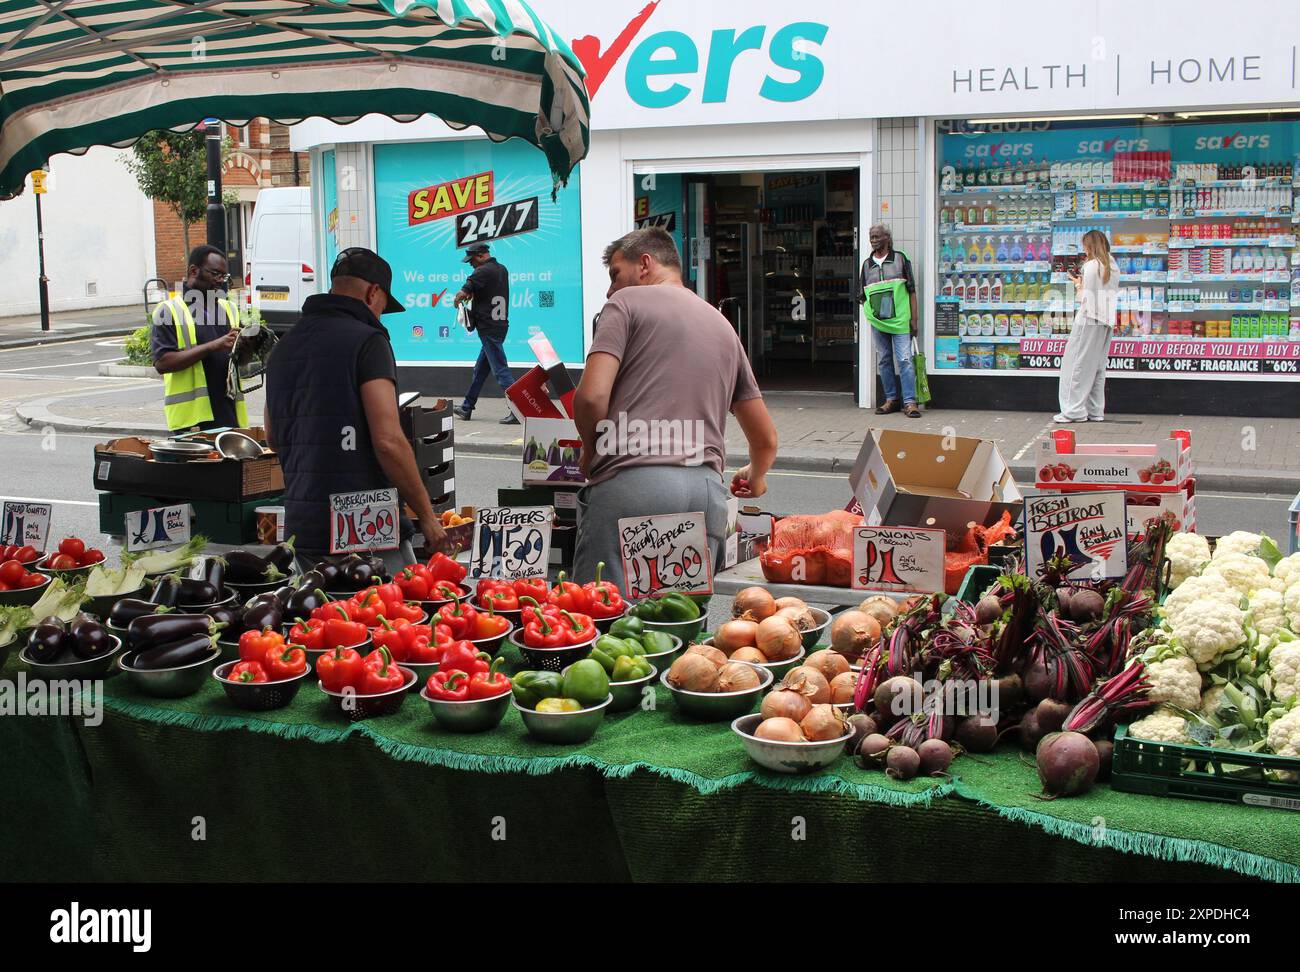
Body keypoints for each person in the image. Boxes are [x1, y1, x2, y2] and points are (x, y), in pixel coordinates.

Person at [572, 227, 779, 591]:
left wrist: (591, 452)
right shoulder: (723, 326)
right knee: (679, 632)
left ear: (645, 264)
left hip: (632, 485)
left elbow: (590, 398)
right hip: (703, 491)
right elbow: (765, 439)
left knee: (608, 626)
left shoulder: (625, 304)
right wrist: (756, 476)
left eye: (615, 275)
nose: (610, 290)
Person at [264, 247, 448, 570]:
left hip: (303, 530)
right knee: (386, 617)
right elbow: (388, 440)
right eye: (382, 307)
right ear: (373, 292)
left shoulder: (283, 347)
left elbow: (273, 437)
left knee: (319, 618)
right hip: (364, 528)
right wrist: (428, 518)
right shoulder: (369, 342)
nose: (379, 315)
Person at [151, 244, 247, 431]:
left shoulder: (229, 309)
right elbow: (163, 363)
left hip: (228, 414)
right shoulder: (169, 311)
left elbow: (239, 360)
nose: (221, 281)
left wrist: (249, 347)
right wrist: (213, 346)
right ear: (194, 271)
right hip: (192, 422)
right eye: (216, 274)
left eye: (224, 276)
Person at [1055, 230, 1120, 423]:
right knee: (1097, 367)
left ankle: (1073, 411)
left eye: (1085, 246)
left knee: (1076, 364)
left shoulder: (1091, 265)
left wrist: (1078, 286)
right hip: (1106, 320)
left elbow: (1086, 297)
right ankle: (1095, 411)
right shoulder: (1112, 265)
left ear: (1089, 246)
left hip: (1088, 318)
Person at [859, 225, 921, 418]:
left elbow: (911, 291)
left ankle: (910, 402)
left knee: (905, 360)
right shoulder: (867, 265)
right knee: (885, 361)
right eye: (871, 237)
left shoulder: (900, 259)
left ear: (887, 238)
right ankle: (891, 399)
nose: (873, 240)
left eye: (877, 236)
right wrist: (871, 316)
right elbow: (861, 295)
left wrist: (914, 319)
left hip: (901, 320)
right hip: (879, 323)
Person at [452, 242, 518, 424]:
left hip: (488, 327)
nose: (470, 264)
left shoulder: (482, 271)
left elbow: (466, 289)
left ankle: (519, 409)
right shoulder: (502, 270)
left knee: (501, 371)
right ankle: (466, 407)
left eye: (472, 260)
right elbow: (487, 290)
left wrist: (458, 298)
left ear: (481, 255)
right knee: (480, 370)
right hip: (500, 325)